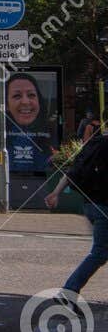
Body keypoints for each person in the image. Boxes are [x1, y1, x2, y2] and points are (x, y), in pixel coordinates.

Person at [46, 127, 108, 296]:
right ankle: (69, 291)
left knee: (100, 252)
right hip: (104, 207)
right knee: (99, 253)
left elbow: (72, 172)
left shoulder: (92, 144)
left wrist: (56, 192)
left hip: (89, 205)